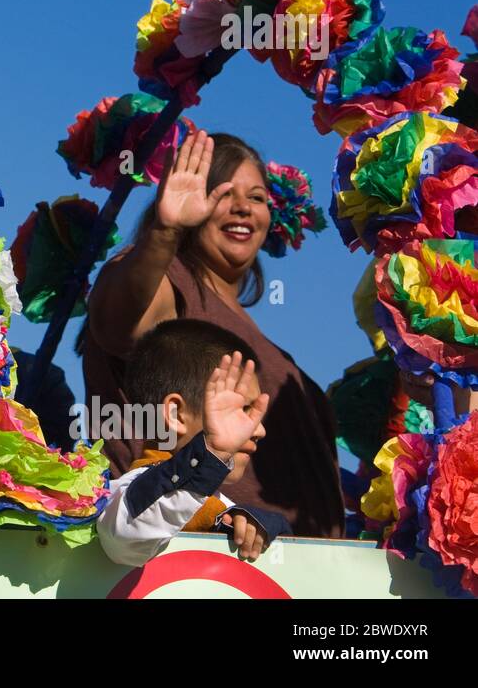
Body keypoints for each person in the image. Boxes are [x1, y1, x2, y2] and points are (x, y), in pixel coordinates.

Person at [83, 130, 343, 538]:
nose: (242, 207)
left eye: (257, 198)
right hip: (198, 557)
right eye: (224, 193)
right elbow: (118, 325)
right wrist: (164, 233)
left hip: (300, 568)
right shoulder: (168, 278)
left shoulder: (273, 350)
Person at [98, 319, 290, 566]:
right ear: (176, 414)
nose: (259, 430)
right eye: (242, 410)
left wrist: (262, 528)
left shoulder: (226, 509)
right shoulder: (126, 495)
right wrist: (210, 454)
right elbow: (125, 539)